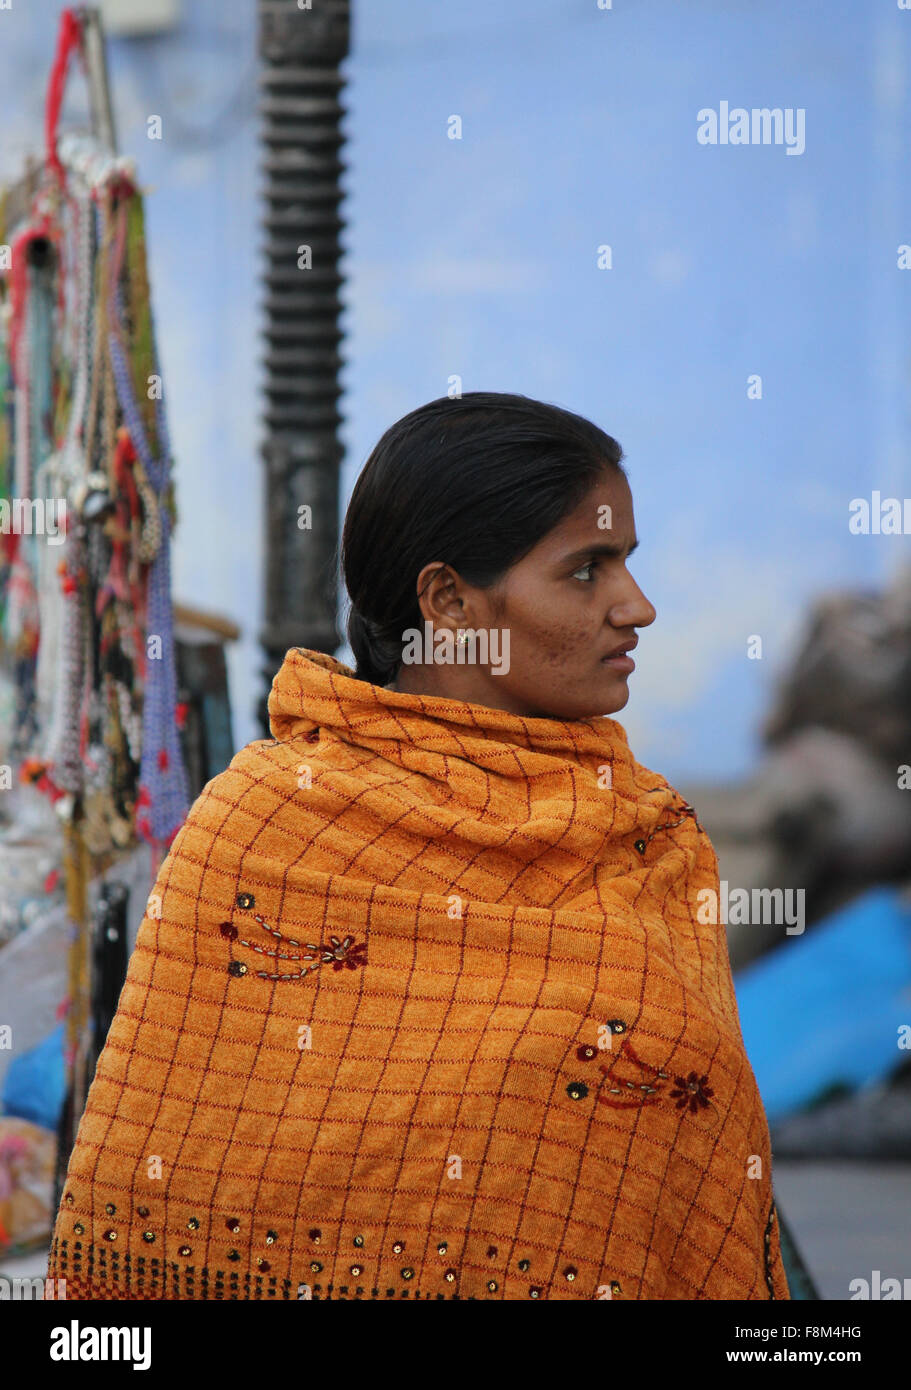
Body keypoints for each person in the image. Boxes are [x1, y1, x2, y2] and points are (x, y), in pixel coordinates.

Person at [47, 391, 790, 1300]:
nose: (636, 607)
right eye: (586, 570)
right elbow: (156, 1179)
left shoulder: (646, 840)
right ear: (447, 599)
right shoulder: (262, 823)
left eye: (626, 563)